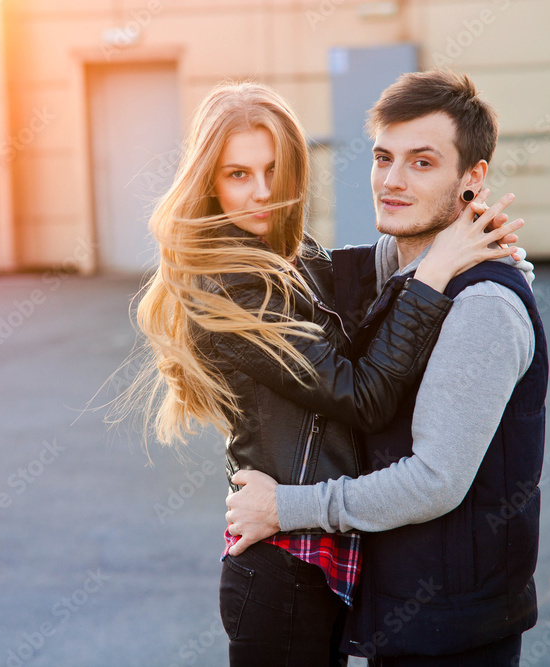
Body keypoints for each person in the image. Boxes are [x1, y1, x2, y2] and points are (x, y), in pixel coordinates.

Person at [130, 80, 524, 665]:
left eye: (273, 170)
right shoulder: (231, 288)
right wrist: (437, 270)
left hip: (322, 564)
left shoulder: (284, 253)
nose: (261, 193)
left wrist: (478, 246)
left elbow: (369, 273)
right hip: (280, 569)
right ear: (207, 181)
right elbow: (361, 397)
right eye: (237, 174)